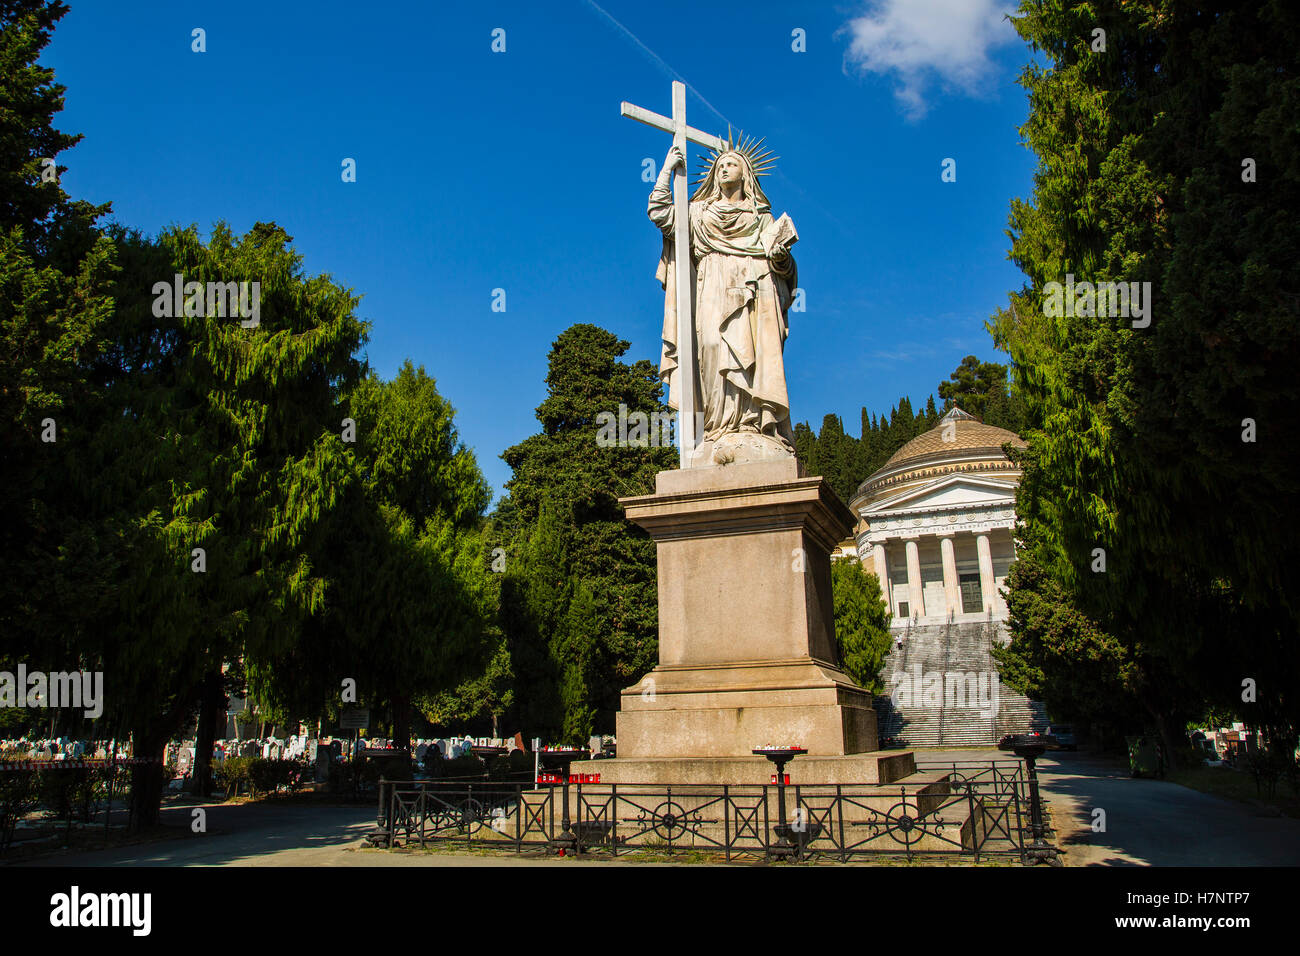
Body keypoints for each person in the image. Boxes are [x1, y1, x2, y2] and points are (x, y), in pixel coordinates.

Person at [648, 137, 798, 465]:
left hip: (752, 291)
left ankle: (751, 424)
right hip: (711, 287)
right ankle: (716, 428)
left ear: (745, 174)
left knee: (752, 355)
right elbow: (661, 214)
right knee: (712, 351)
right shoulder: (700, 213)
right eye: (719, 166)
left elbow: (783, 269)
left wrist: (780, 256)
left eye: (730, 164)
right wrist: (666, 171)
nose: (722, 170)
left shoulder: (761, 217)